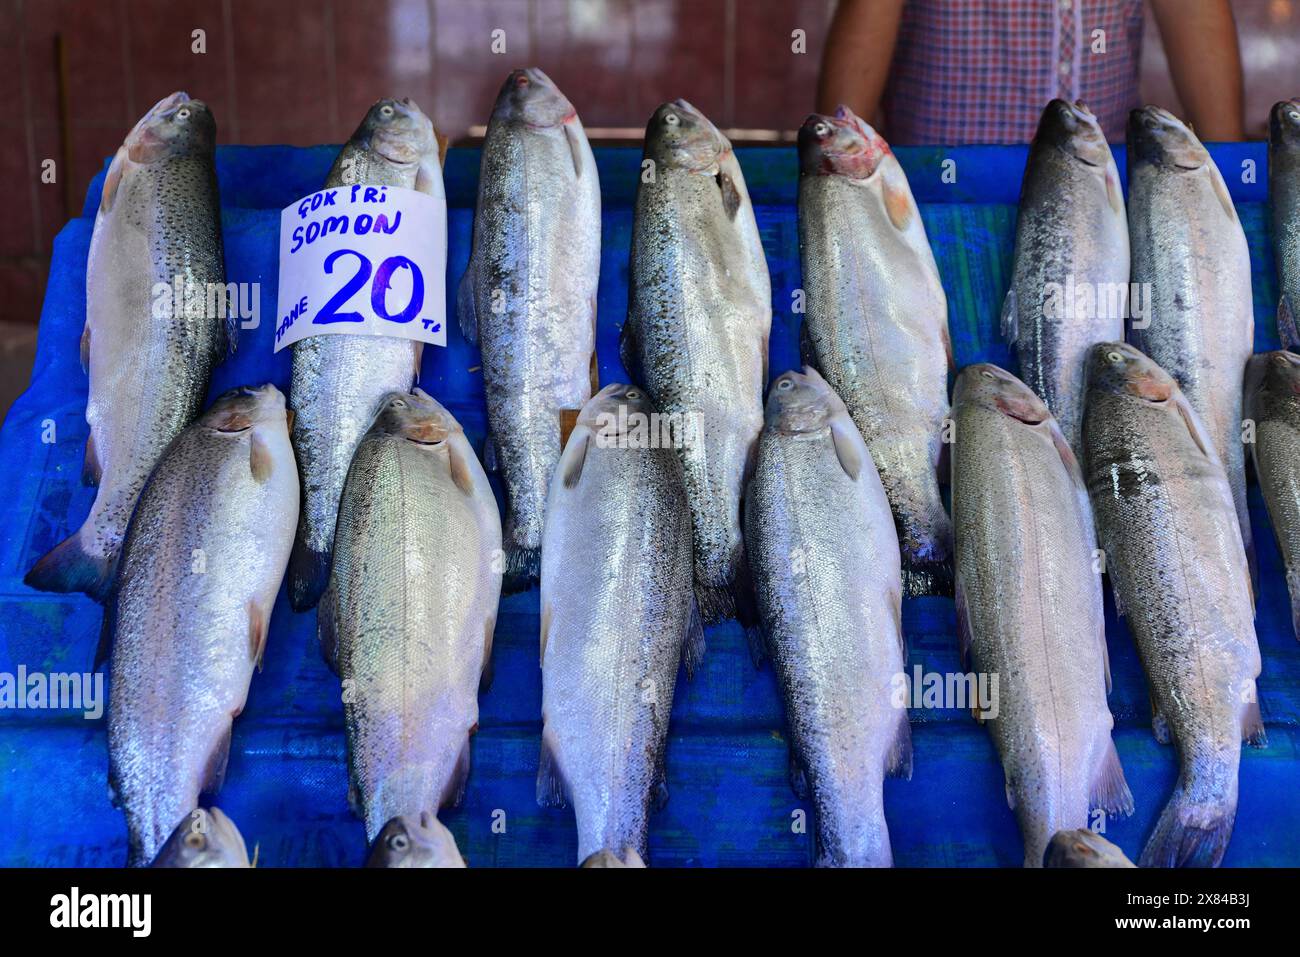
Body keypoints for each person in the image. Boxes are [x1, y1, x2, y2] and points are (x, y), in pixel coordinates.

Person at [817, 0, 1245, 143]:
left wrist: (1232, 185)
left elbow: (1191, 11)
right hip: (942, 186)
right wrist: (837, 171)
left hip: (1106, 191)